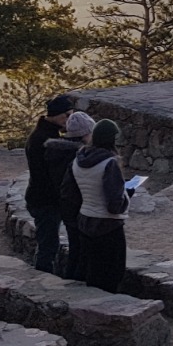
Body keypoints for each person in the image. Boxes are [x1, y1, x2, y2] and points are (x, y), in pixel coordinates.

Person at [59, 119, 129, 294]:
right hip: (108, 225)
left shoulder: (77, 160)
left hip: (84, 220)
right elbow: (114, 205)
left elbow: (69, 191)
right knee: (112, 273)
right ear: (112, 140)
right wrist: (127, 197)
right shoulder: (110, 163)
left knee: (92, 270)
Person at [24, 94, 74, 273]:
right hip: (46, 201)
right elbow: (50, 174)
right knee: (48, 244)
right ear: (55, 115)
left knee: (48, 242)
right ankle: (42, 276)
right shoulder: (45, 140)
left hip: (41, 198)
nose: (69, 119)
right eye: (66, 115)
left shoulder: (42, 134)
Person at [42, 112, 95, 279]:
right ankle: (78, 282)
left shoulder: (54, 151)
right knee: (82, 250)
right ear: (85, 134)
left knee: (75, 248)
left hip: (65, 206)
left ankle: (70, 279)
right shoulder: (77, 156)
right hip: (78, 206)